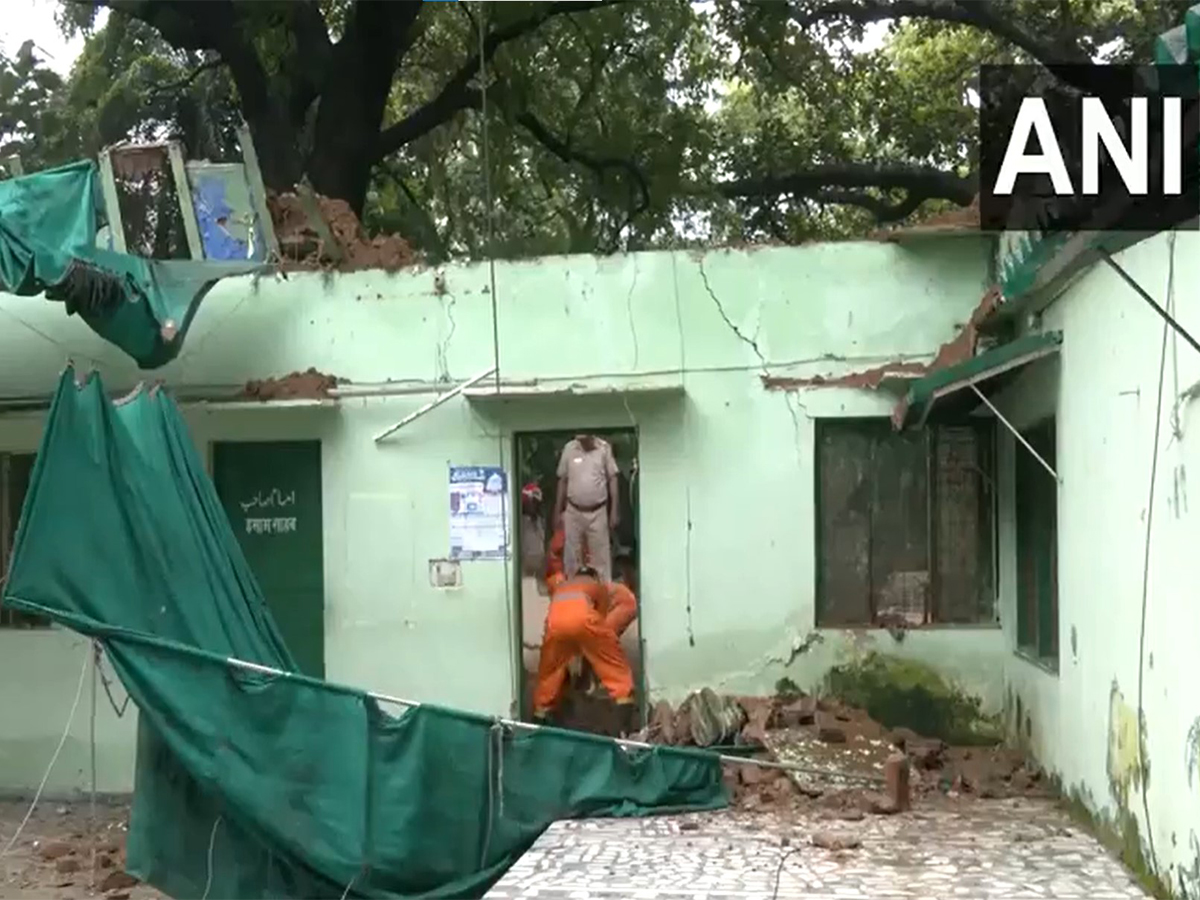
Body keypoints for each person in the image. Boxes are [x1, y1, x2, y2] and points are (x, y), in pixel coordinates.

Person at [532, 565, 636, 729]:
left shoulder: (563, 586)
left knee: (549, 673)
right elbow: (600, 619)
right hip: (586, 623)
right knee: (616, 669)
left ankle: (539, 719)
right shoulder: (597, 586)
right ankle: (624, 728)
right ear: (594, 577)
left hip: (555, 626)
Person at [553, 434, 619, 584]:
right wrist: (557, 511)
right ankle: (573, 596)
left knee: (601, 559)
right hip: (573, 510)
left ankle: (603, 597)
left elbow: (613, 479)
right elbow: (562, 480)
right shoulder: (569, 449)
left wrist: (614, 510)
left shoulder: (604, 448)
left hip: (598, 511)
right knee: (572, 558)